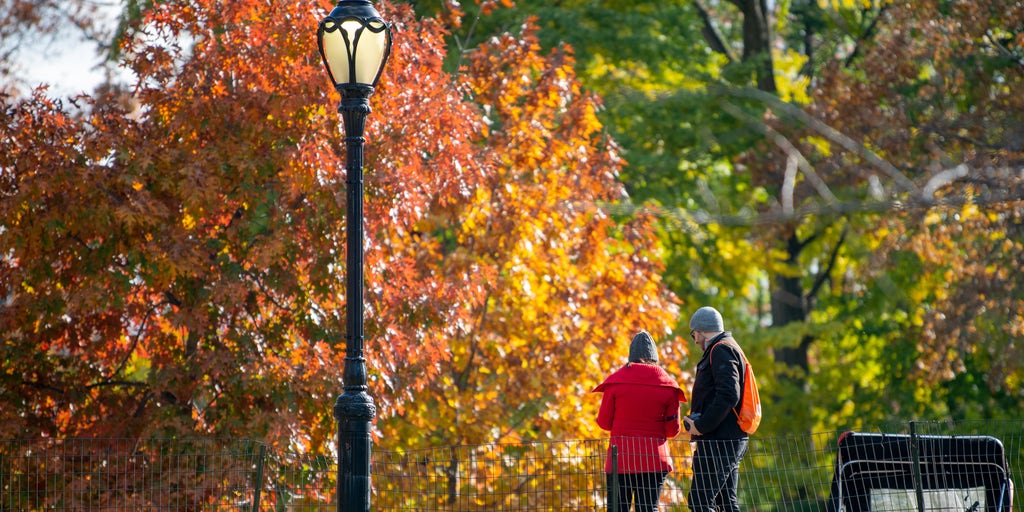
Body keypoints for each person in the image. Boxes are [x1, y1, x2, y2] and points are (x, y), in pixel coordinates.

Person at [594, 331, 687, 512]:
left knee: (617, 509)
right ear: (655, 357)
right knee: (647, 509)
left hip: (620, 459)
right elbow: (672, 431)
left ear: (631, 356)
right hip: (654, 460)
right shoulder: (668, 387)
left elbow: (604, 423)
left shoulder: (615, 384)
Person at [683, 306, 750, 512]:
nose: (694, 340)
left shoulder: (720, 349)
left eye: (693, 334)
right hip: (730, 438)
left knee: (700, 501)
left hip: (719, 442)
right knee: (726, 503)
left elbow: (729, 394)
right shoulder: (729, 347)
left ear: (701, 330)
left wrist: (701, 426)